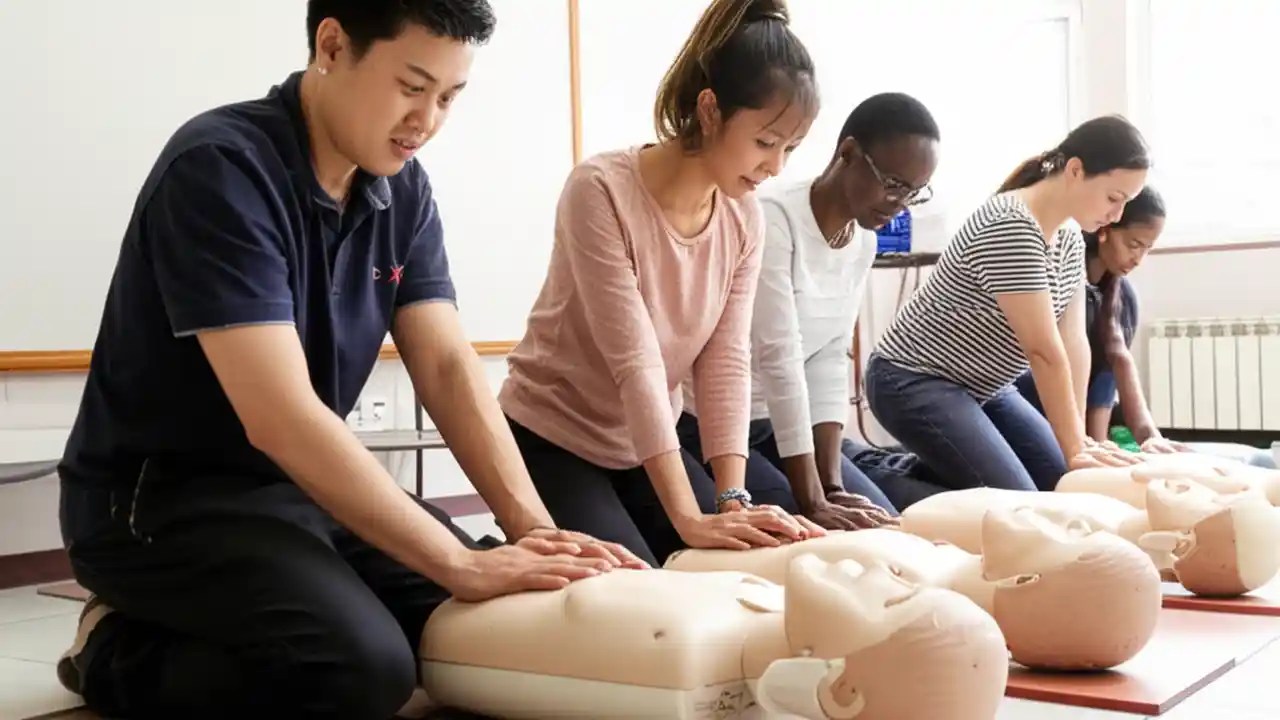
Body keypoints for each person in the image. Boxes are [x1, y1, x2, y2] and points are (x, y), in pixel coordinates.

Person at [54, 3, 644, 718]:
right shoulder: (221, 168)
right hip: (162, 503)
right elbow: (281, 417)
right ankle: (112, 645)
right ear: (331, 44)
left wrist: (533, 529)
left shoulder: (402, 189)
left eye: (449, 97)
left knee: (488, 625)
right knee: (360, 669)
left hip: (298, 493)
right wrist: (456, 559)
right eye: (412, 86)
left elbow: (449, 368)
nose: (427, 120)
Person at [498, 0, 824, 568]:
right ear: (710, 110)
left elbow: (725, 361)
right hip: (550, 437)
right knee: (638, 588)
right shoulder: (599, 190)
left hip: (644, 444)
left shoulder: (744, 217)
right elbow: (637, 363)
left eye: (790, 149)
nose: (777, 166)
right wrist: (688, 518)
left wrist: (729, 500)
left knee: (739, 563)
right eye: (766, 142)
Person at [677, 93, 940, 530]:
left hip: (777, 428)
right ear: (848, 154)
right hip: (715, 429)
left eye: (913, 193)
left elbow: (830, 355)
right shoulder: (773, 219)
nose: (899, 203)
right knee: (808, 530)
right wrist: (811, 498)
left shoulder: (864, 242)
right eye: (893, 183)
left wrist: (831, 483)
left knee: (884, 523)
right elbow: (779, 358)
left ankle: (857, 465)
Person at [864, 115, 1148, 494]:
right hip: (913, 378)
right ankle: (867, 467)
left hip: (987, 385)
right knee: (1021, 502)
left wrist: (1080, 442)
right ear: (1076, 171)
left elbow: (1072, 343)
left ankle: (937, 463)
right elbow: (1044, 351)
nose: (1117, 216)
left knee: (1063, 483)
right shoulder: (1012, 224)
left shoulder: (1069, 237)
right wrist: (1075, 449)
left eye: (1125, 203)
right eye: (1114, 198)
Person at [1014, 186, 1277, 469]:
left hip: (1089, 407)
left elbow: (1112, 370)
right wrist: (1083, 445)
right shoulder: (1066, 281)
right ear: (1104, 230)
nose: (1138, 259)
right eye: (1134, 244)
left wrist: (1147, 435)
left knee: (1253, 462)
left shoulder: (1123, 297)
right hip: (1041, 399)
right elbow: (1050, 361)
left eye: (1147, 249)